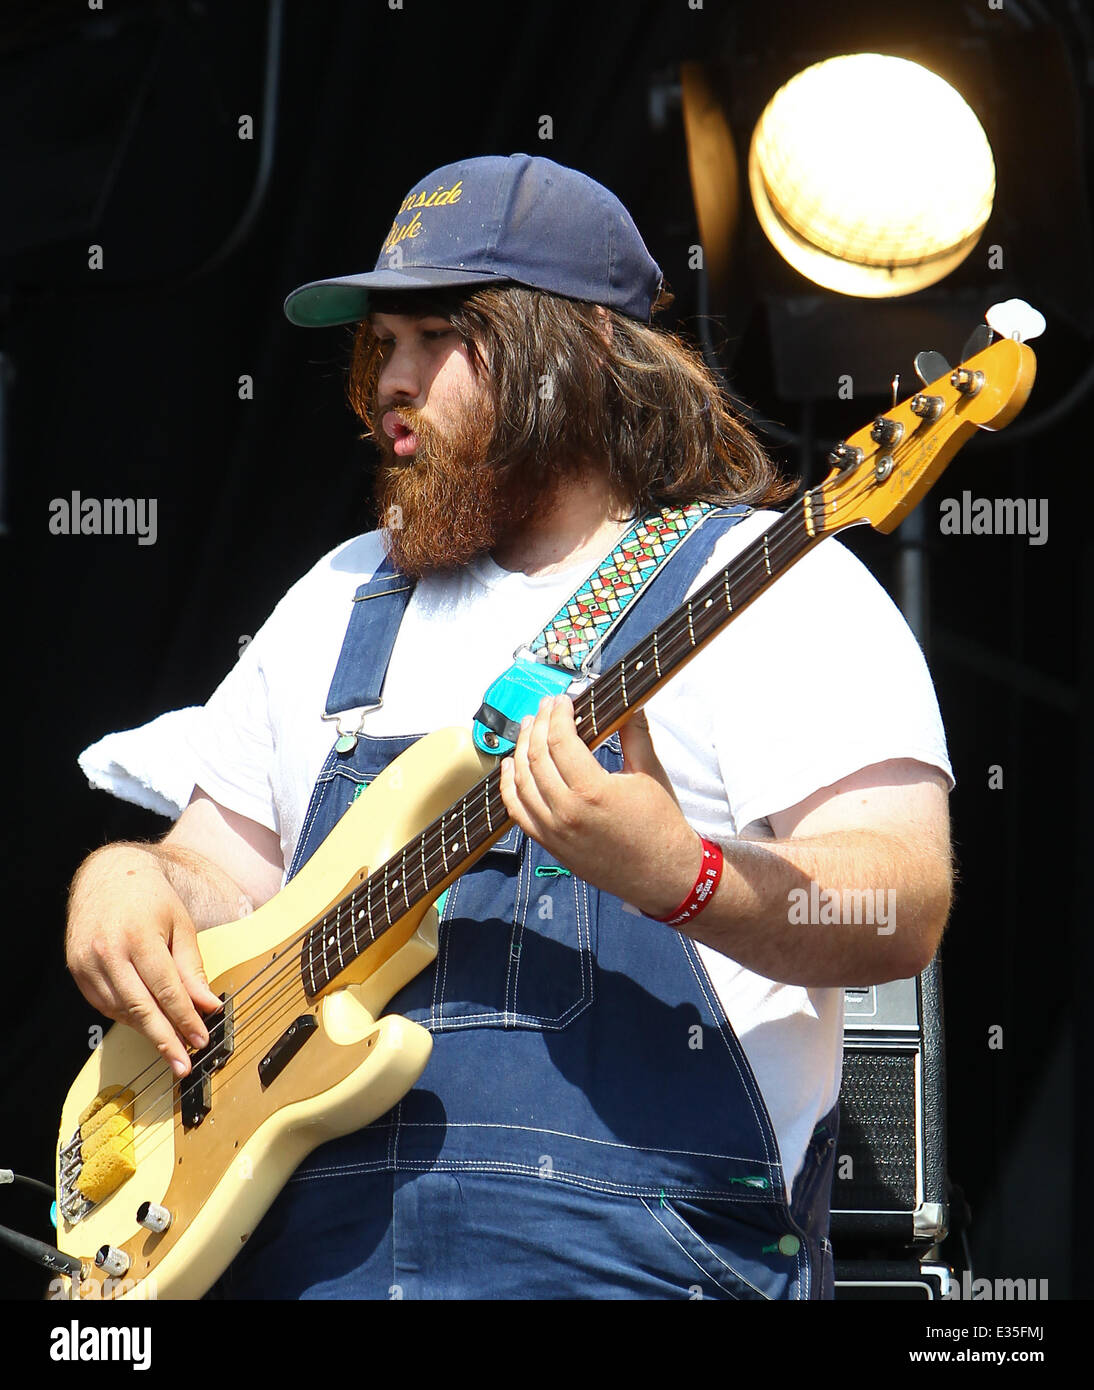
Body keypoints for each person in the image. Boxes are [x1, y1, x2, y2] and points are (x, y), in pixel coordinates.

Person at [65, 153, 954, 1300]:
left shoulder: (772, 585)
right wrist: (130, 884)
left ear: (576, 351)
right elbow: (214, 870)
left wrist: (677, 874)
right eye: (380, 344)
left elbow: (894, 904)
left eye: (435, 338)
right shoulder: (336, 597)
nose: (391, 379)